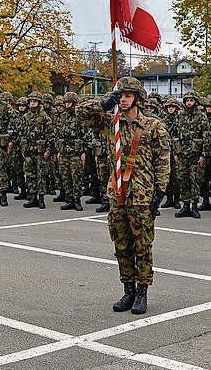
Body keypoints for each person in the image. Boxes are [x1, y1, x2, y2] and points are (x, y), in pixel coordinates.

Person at [98, 76, 170, 314]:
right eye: (121, 95)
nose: (124, 100)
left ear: (138, 98)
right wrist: (105, 103)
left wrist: (159, 193)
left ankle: (142, 293)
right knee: (121, 245)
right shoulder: (112, 124)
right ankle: (127, 291)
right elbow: (81, 114)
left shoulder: (153, 126)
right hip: (117, 193)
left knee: (142, 246)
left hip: (141, 196)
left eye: (128, 95)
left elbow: (162, 162)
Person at [172, 91, 208, 218]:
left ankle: (194, 206)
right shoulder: (180, 116)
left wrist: (204, 155)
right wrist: (176, 153)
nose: (189, 102)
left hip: (195, 155)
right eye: (187, 100)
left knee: (195, 180)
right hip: (182, 155)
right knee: (183, 180)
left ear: (196, 102)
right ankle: (185, 206)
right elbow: (175, 135)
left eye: (191, 100)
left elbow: (206, 137)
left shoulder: (201, 117)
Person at [19, 92, 53, 209]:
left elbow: (50, 135)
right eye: (31, 101)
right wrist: (23, 148)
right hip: (29, 151)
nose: (32, 103)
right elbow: (22, 134)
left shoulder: (45, 117)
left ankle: (41, 198)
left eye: (34, 101)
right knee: (30, 175)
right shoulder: (25, 117)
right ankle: (32, 197)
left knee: (41, 175)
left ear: (38, 103)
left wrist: (48, 150)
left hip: (40, 152)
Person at [55, 92, 87, 211]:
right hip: (64, 152)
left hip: (76, 152)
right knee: (65, 177)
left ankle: (77, 200)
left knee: (76, 177)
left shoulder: (80, 116)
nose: (67, 105)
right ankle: (69, 200)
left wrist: (83, 152)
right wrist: (59, 150)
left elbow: (86, 135)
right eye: (66, 102)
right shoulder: (61, 117)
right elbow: (57, 134)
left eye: (69, 102)